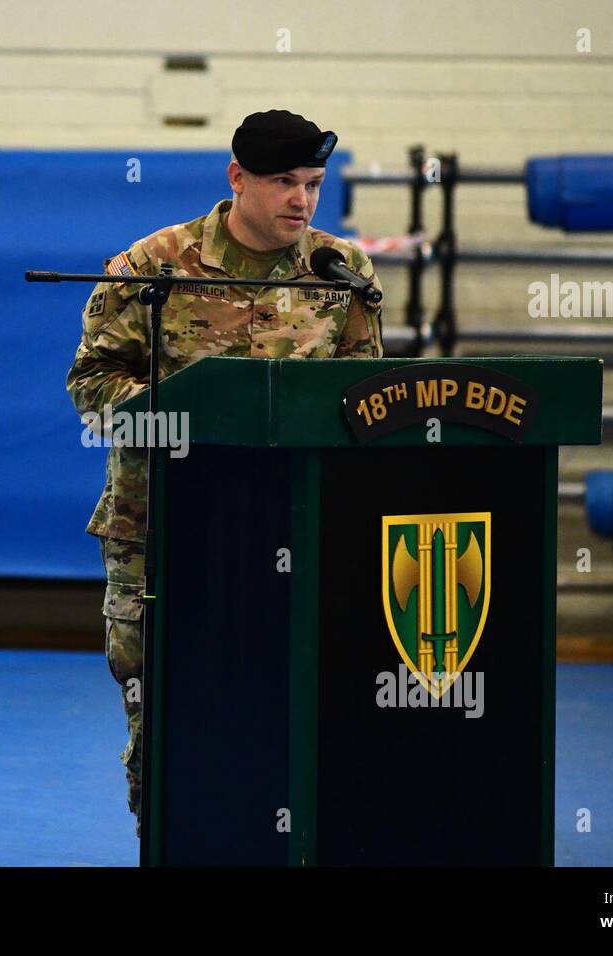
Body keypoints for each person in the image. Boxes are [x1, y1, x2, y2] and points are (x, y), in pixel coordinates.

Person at [65, 109, 385, 837]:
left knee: (291, 704)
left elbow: (365, 400)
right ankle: (171, 840)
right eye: (282, 183)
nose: (301, 201)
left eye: (312, 183)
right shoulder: (156, 265)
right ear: (237, 178)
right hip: (162, 525)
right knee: (167, 707)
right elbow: (90, 386)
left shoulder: (342, 272)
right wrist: (188, 419)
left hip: (293, 529)